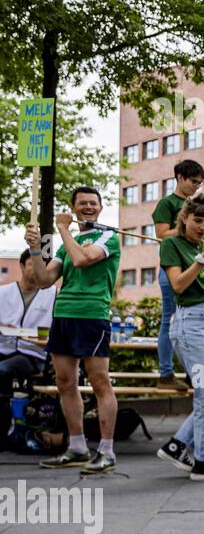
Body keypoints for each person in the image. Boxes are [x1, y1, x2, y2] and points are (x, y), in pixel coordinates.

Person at [23, 187, 121, 475]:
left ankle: (106, 451)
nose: (88, 207)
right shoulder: (69, 242)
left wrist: (63, 229)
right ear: (74, 207)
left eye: (93, 203)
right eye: (83, 203)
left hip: (92, 315)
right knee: (65, 382)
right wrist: (35, 249)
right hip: (63, 315)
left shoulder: (108, 237)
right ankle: (77, 447)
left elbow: (82, 260)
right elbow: (43, 280)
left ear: (100, 208)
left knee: (99, 381)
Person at [155, 193, 204, 481]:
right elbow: (177, 284)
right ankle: (203, 461)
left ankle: (178, 445)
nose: (203, 226)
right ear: (184, 218)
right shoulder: (171, 244)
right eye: (197, 219)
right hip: (190, 328)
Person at [152, 159, 204, 392]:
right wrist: (186, 225)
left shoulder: (197, 202)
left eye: (200, 183)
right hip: (173, 267)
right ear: (180, 178)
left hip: (197, 265)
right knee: (170, 319)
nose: (196, 186)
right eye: (193, 182)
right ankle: (166, 374)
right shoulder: (167, 203)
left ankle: (191, 373)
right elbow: (162, 234)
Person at [0, 249, 56, 443]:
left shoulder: (53, 294)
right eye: (32, 264)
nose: (36, 270)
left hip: (33, 354)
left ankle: (4, 428)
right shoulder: (3, 292)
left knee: (1, 370)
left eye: (41, 265)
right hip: (4, 348)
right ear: (22, 266)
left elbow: (57, 327)